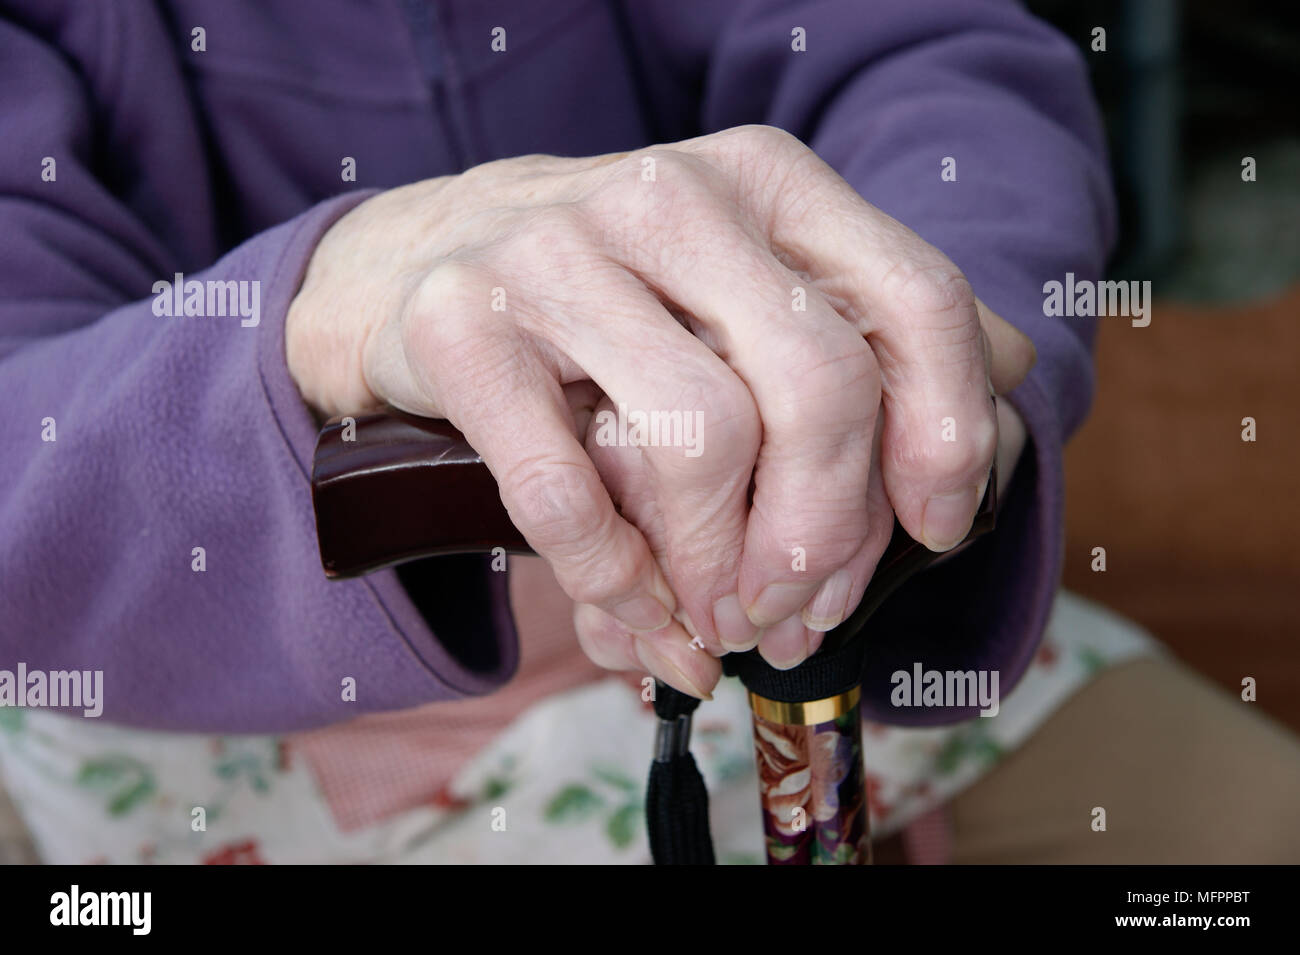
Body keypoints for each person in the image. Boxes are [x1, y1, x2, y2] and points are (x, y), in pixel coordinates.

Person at [1, 0, 1296, 864]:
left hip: (829, 599)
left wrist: (918, 335)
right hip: (160, 676)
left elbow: (929, 54)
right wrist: (315, 314)